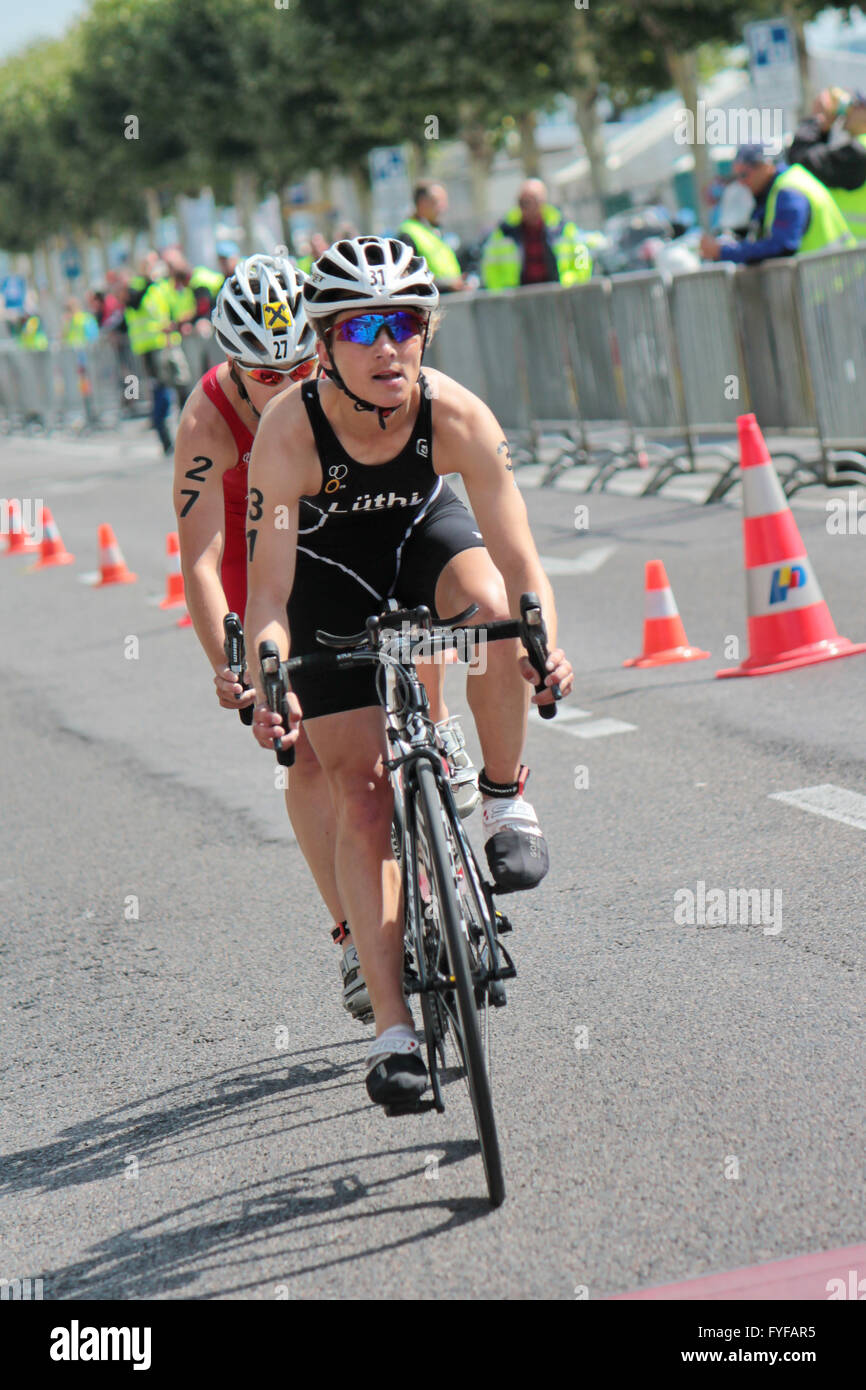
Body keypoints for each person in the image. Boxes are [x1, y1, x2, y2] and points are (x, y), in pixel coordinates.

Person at [245, 236, 573, 1108]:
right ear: (323, 347)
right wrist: (268, 678)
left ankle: (503, 798)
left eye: (403, 323)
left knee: (492, 614)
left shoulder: (456, 413)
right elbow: (269, 591)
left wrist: (544, 643)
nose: (386, 345)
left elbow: (521, 557)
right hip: (327, 585)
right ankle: (393, 1034)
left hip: (423, 545)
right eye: (361, 327)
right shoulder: (287, 432)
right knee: (360, 796)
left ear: (425, 332)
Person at [173, 252, 478, 1026]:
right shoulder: (207, 422)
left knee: (413, 599)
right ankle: (352, 933)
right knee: (304, 749)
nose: (285, 387)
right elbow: (205, 563)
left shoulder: (343, 383)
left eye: (299, 367)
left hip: (346, 515)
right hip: (264, 552)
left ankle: (438, 726)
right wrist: (234, 668)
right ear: (232, 366)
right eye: (262, 376)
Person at [699, 143, 854, 265]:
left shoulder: (789, 191)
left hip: (834, 283)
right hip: (829, 281)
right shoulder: (776, 189)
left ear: (765, 165)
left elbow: (782, 246)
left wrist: (723, 252)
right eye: (737, 175)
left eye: (744, 174)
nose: (741, 182)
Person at [480, 179, 592, 289]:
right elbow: (489, 268)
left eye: (530, 201)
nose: (526, 207)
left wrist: (575, 283)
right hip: (519, 299)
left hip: (559, 295)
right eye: (522, 202)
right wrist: (502, 293)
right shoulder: (504, 232)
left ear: (542, 201)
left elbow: (582, 256)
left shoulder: (562, 228)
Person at [787, 88, 866, 241]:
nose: (847, 110)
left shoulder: (859, 153)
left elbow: (802, 162)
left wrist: (817, 120)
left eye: (855, 104)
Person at [398, 183, 467, 292]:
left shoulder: (434, 230)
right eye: (436, 201)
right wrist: (446, 285)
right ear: (421, 203)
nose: (443, 207)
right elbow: (408, 277)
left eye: (445, 201)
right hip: (431, 301)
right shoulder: (408, 233)